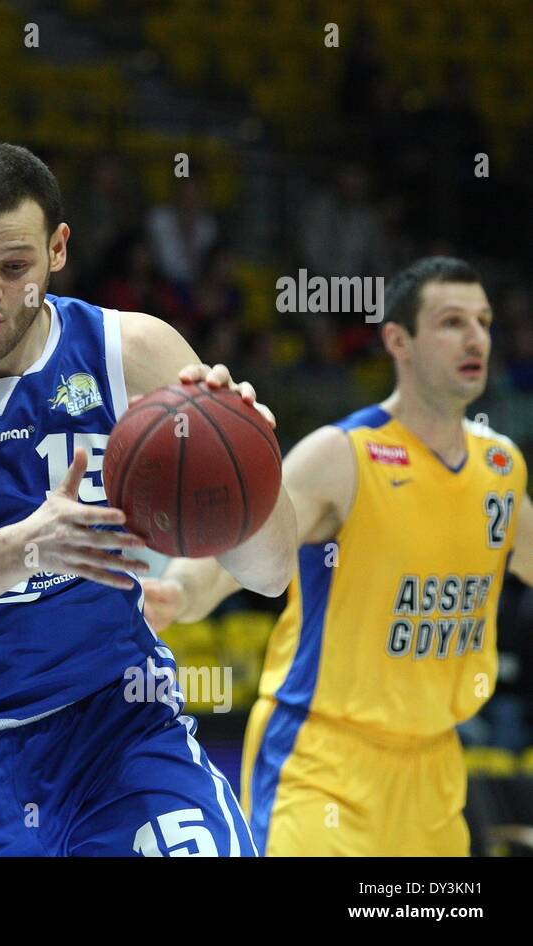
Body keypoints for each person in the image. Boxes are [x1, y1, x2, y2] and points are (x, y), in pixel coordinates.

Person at [0, 144, 297, 856]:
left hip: (112, 731)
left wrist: (246, 463)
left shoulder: (135, 354)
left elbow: (271, 571)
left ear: (58, 250)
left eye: (15, 267)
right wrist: (23, 549)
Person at [143, 257, 533, 856]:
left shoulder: (501, 467)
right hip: (322, 756)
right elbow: (248, 534)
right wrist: (182, 590)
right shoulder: (344, 453)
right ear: (398, 340)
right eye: (452, 322)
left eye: (483, 320)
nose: (477, 336)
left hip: (435, 764)